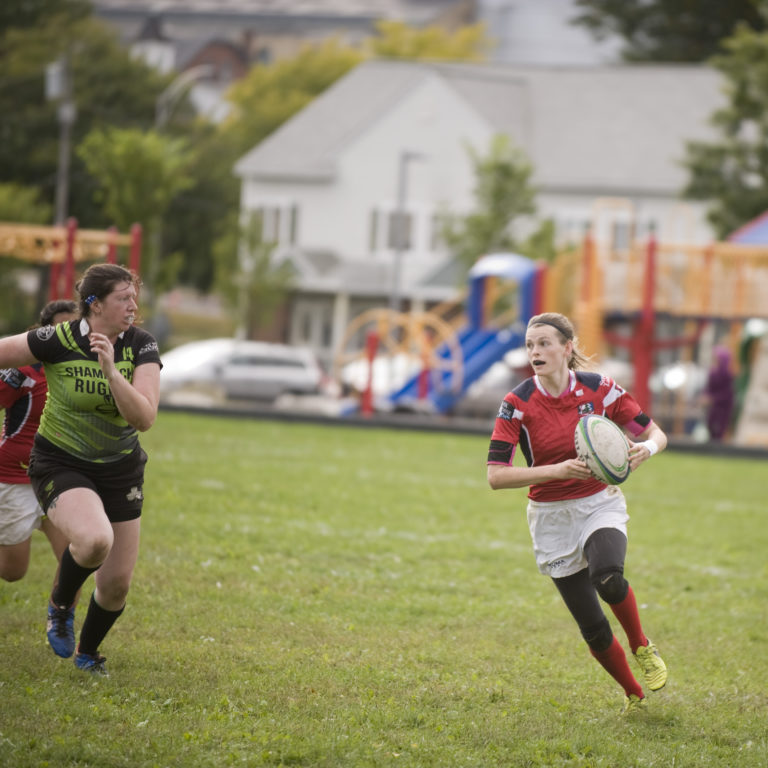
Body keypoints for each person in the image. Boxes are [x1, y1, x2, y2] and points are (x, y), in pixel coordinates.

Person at [486, 312, 668, 715]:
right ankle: (634, 694)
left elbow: (656, 433)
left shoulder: (599, 388)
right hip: (550, 516)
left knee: (608, 577)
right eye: (530, 345)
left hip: (598, 502)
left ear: (567, 348)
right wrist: (557, 471)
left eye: (544, 343)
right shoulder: (516, 404)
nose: (535, 351)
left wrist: (645, 450)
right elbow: (496, 477)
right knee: (593, 627)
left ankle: (641, 644)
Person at [0, 263, 162, 675]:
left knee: (115, 586)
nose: (133, 305)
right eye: (123, 298)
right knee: (93, 540)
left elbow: (143, 418)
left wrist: (110, 372)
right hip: (60, 460)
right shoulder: (59, 338)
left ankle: (88, 653)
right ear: (95, 304)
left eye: (133, 296)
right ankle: (60, 607)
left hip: (120, 470)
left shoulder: (141, 346)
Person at [0, 300, 77, 583]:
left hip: (58, 476)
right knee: (13, 572)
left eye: (76, 327)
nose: (70, 335)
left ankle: (61, 623)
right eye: (61, 329)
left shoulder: (89, 368)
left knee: (76, 556)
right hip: (14, 475)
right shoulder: (25, 370)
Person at [703, 345, 734, 441]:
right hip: (713, 407)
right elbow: (709, 388)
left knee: (719, 428)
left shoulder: (727, 374)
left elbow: (728, 394)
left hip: (723, 407)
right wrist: (705, 396)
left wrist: (713, 399)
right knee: (710, 426)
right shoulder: (712, 373)